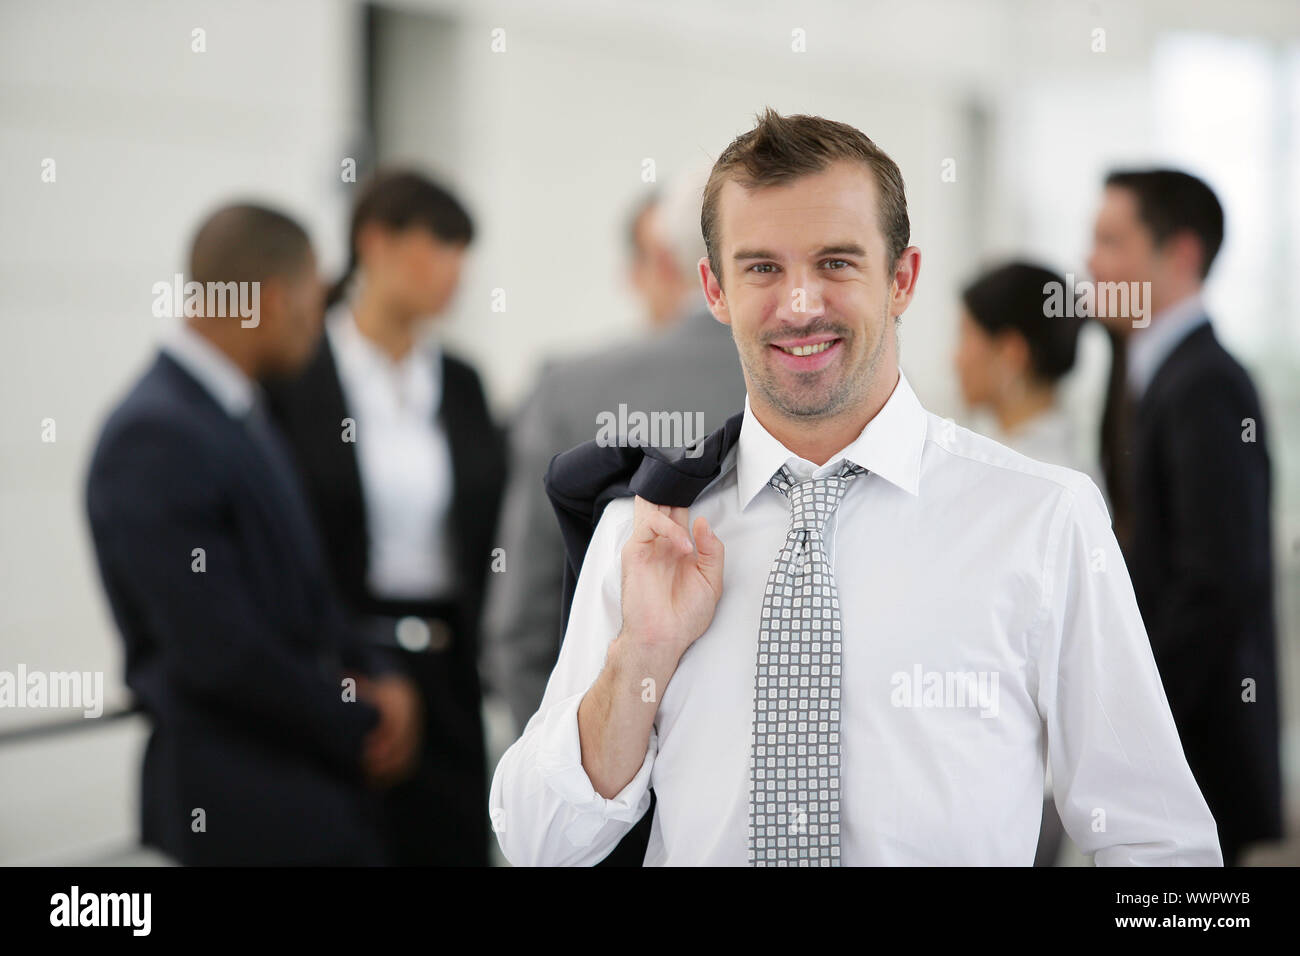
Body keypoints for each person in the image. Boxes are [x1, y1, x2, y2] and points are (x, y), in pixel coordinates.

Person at [488, 108, 1221, 866]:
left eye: (836, 263)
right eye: (762, 268)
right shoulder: (646, 534)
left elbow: (1157, 842)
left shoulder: (1043, 521)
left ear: (901, 278)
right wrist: (641, 654)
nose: (800, 304)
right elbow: (540, 843)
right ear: (714, 289)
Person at [86, 204, 421, 865]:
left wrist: (387, 679)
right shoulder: (154, 435)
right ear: (271, 299)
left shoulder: (239, 413)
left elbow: (308, 596)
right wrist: (365, 713)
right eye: (312, 297)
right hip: (239, 812)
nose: (316, 320)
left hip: (306, 796)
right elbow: (218, 652)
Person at [265, 170, 505, 866]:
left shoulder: (460, 382)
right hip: (338, 666)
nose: (456, 269)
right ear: (374, 242)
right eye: (438, 244)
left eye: (463, 249)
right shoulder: (301, 376)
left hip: (448, 670)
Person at [1089, 169, 1282, 866]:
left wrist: (1131, 712)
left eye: (1112, 241)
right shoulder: (1151, 367)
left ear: (1182, 256)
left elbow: (1220, 578)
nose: (1091, 263)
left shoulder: (1206, 384)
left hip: (1195, 739)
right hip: (1174, 740)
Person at [952, 260, 1094, 866]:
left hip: (1015, 785)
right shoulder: (996, 460)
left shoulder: (1045, 487)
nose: (954, 357)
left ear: (1009, 351)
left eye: (966, 337)